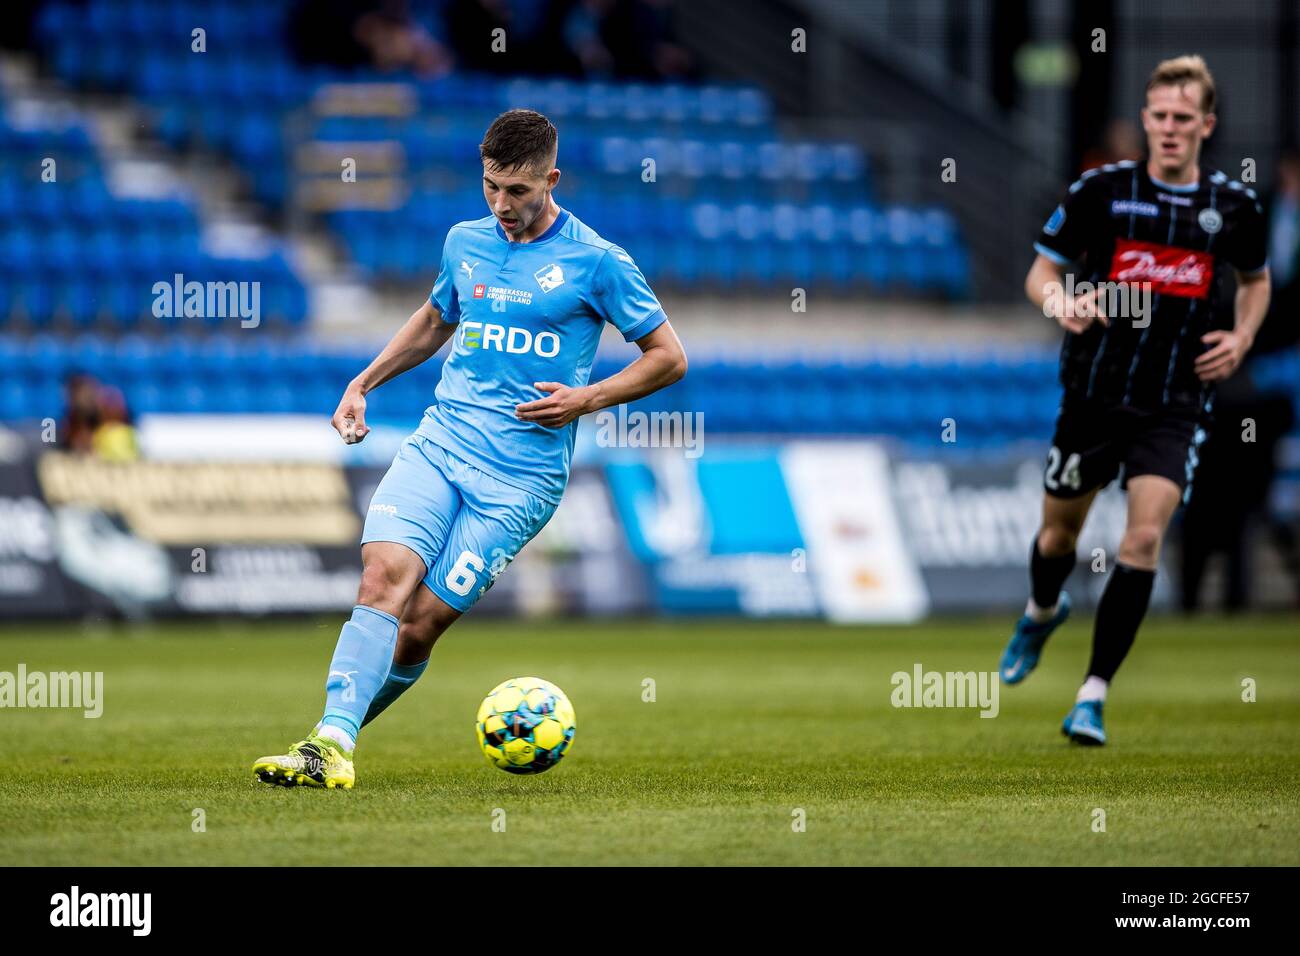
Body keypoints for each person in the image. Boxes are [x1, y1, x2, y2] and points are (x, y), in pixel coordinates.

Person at [252, 109, 686, 788]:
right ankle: (328, 745)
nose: (502, 204)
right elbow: (434, 319)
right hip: (441, 444)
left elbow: (667, 357)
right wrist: (362, 382)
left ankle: (331, 734)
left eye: (518, 191)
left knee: (418, 624)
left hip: (520, 479)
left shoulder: (599, 263)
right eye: (491, 187)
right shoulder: (465, 241)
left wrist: (586, 398)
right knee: (381, 579)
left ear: (552, 179)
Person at [997, 55, 1271, 745]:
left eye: (1185, 118)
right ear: (1145, 119)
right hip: (1092, 396)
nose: (1171, 129)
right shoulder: (1102, 192)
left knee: (1144, 537)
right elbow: (1040, 270)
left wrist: (1240, 336)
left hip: (1175, 401)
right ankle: (1040, 610)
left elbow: (1257, 279)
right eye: (1160, 117)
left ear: (1206, 124)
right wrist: (1061, 302)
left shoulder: (1234, 209)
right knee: (1058, 533)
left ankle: (1091, 695)